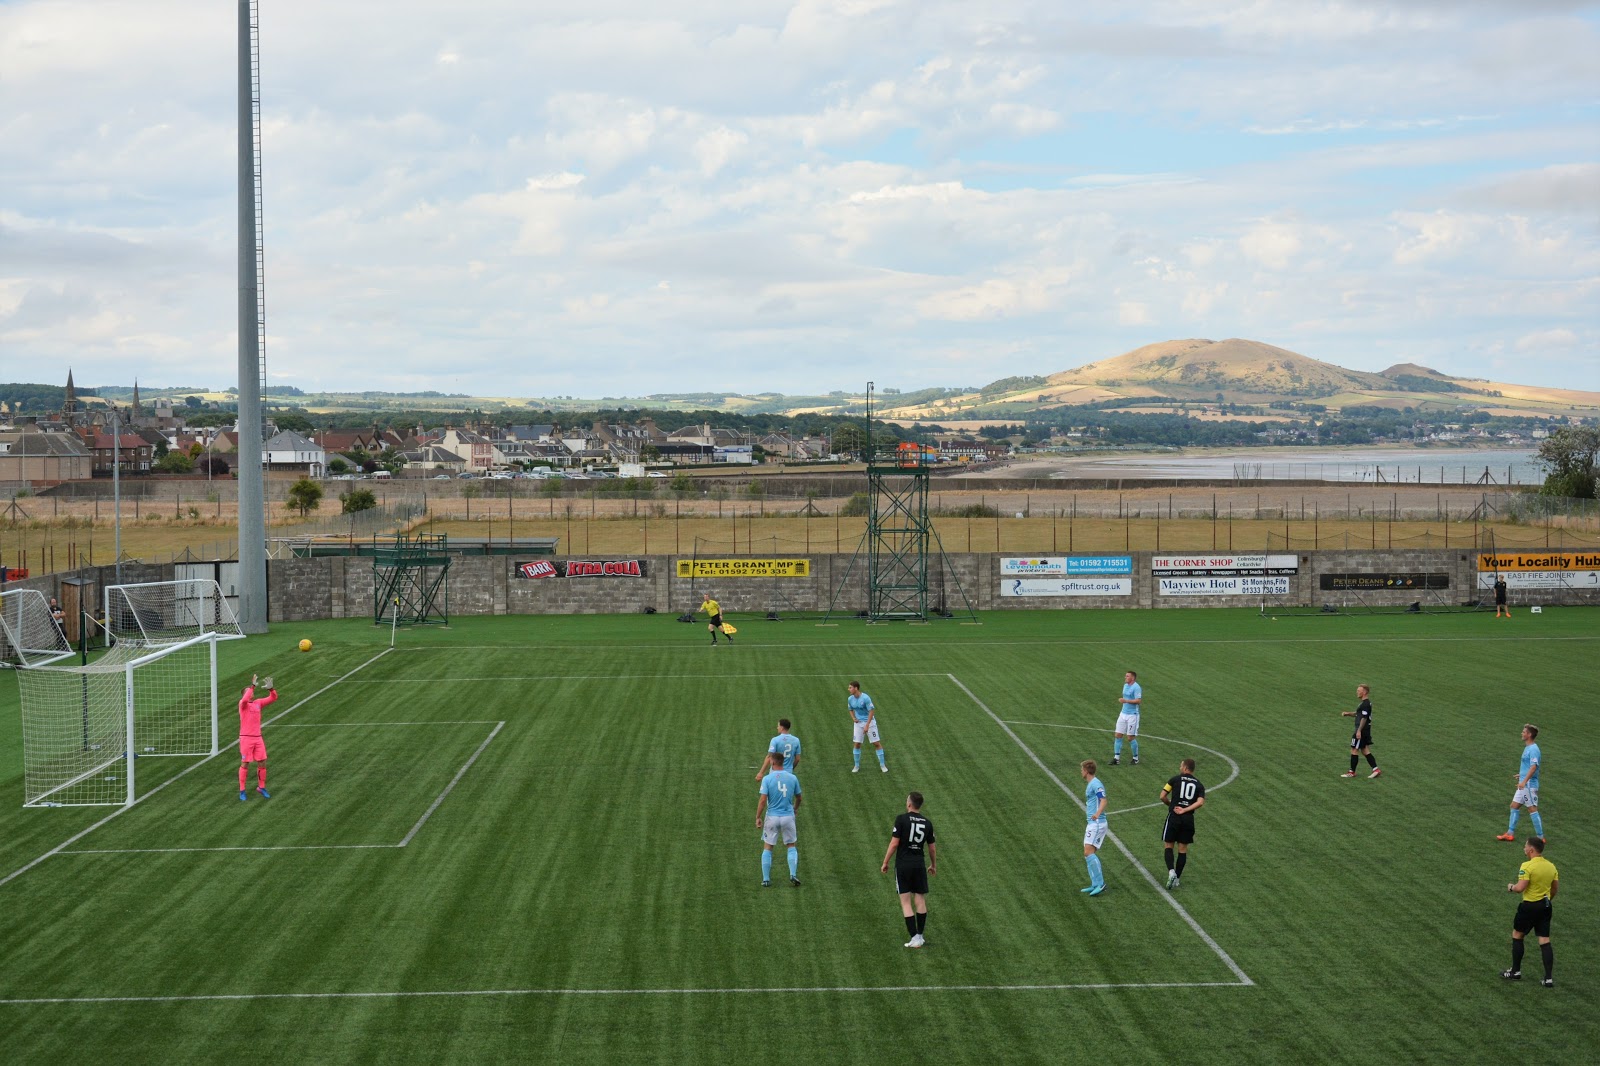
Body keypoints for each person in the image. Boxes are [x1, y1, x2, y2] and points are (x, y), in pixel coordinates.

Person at [881, 791, 937, 948]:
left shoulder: (901, 819)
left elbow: (894, 844)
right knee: (920, 898)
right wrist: (933, 865)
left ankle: (914, 937)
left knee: (906, 902)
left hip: (904, 865)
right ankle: (920, 935)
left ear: (909, 804)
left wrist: (885, 862)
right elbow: (932, 848)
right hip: (919, 864)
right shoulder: (927, 823)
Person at [1503, 837, 1558, 987]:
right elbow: (1554, 889)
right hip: (1546, 906)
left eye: (1525, 846)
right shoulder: (1551, 866)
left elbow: (1520, 888)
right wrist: (1547, 900)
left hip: (1529, 906)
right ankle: (1548, 978)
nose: (1524, 849)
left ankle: (1516, 971)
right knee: (1544, 940)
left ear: (1531, 850)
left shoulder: (1527, 866)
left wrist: (1511, 887)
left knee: (1517, 934)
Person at [1159, 758, 1206, 889]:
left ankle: (1171, 872)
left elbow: (1162, 796)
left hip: (1174, 816)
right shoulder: (1199, 784)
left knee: (1168, 845)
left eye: (1181, 766)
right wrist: (1185, 809)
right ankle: (1177, 879)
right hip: (1188, 819)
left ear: (1185, 768)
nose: (1180, 768)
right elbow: (1200, 802)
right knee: (1182, 849)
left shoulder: (1174, 779)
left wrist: (1172, 805)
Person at [756, 761, 801, 886]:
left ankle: (766, 879)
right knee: (791, 845)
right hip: (788, 817)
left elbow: (763, 800)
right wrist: (795, 808)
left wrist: (758, 817)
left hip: (772, 817)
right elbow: (799, 797)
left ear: (773, 762)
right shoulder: (792, 778)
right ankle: (793, 874)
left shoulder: (767, 778)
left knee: (768, 847)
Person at [1497, 725, 1543, 841]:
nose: (1522, 734)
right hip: (1524, 783)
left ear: (1529, 735)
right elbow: (1529, 766)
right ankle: (1510, 833)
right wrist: (1521, 775)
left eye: (1524, 732)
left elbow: (1533, 767)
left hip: (1528, 785)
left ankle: (1540, 837)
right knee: (1514, 806)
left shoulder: (1533, 749)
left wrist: (1524, 781)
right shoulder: (1528, 748)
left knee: (1532, 809)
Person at [238, 673, 277, 801]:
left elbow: (273, 698)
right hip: (246, 738)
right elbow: (244, 699)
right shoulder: (243, 705)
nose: (250, 694)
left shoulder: (258, 703)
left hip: (257, 738)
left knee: (262, 762)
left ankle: (261, 787)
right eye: (248, 692)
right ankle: (242, 790)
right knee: (245, 763)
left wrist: (271, 690)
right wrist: (252, 686)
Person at [1339, 684, 1381, 779]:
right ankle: (1376, 769)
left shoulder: (1365, 704)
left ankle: (1351, 772)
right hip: (1365, 730)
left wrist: (1358, 731)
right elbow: (1359, 714)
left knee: (1354, 749)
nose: (1357, 692)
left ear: (1364, 692)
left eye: (1359, 690)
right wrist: (1348, 714)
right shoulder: (1365, 703)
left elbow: (1364, 718)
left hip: (1361, 730)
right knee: (1365, 750)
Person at [846, 681, 888, 773]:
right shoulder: (850, 699)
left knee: (876, 743)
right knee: (857, 744)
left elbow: (871, 711)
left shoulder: (865, 698)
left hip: (869, 722)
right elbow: (850, 709)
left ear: (856, 688)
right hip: (858, 724)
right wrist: (853, 718)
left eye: (850, 687)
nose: (848, 689)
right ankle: (856, 766)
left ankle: (882, 765)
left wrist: (867, 725)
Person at [1080, 760, 1107, 895]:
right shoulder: (1092, 783)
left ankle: (1100, 883)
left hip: (1097, 823)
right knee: (1088, 854)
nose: (1081, 772)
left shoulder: (1096, 783)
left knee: (1088, 852)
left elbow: (1103, 799)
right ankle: (1095, 883)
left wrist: (1097, 813)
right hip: (1092, 823)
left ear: (1086, 770)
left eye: (1082, 769)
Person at [1112, 670, 1141, 765]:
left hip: (1133, 715)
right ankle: (1116, 758)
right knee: (1118, 735)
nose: (1125, 677)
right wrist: (1125, 701)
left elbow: (1138, 701)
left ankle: (1135, 758)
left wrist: (1126, 701)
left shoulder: (1137, 687)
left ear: (1132, 678)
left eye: (1127, 676)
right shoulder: (1125, 686)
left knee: (1130, 737)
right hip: (1123, 713)